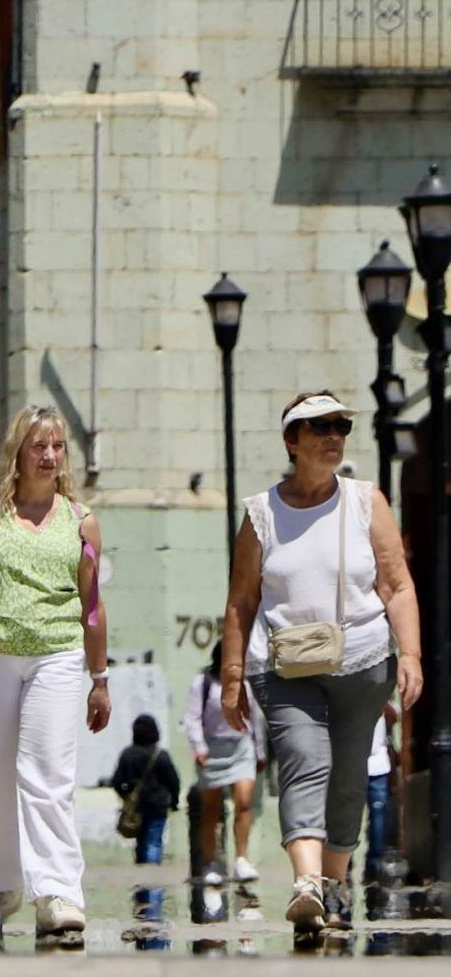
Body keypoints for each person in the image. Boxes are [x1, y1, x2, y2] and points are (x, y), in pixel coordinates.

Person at [221, 392, 423, 933]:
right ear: (292, 441)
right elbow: (241, 600)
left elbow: (397, 584)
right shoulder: (262, 512)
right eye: (319, 427)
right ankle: (306, 883)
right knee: (303, 761)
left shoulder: (365, 501)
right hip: (284, 665)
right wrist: (233, 675)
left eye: (340, 426)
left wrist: (411, 653)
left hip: (362, 662)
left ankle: (333, 885)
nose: (333, 435)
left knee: (349, 778)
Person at [0, 405, 111, 938]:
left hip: (58, 656)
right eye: (38, 446)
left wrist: (100, 678)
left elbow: (91, 604)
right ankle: (0, 886)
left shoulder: (79, 519)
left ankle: (58, 893)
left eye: (57, 446)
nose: (48, 456)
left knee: (46, 775)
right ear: (17, 452)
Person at [185, 640, 265, 885]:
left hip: (241, 746)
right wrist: (199, 747)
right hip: (213, 748)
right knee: (211, 810)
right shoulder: (203, 683)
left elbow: (255, 718)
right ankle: (211, 863)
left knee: (243, 802)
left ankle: (242, 859)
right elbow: (192, 717)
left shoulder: (247, 684)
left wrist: (260, 750)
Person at [111, 714, 182, 865]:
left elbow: (117, 781)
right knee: (154, 841)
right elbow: (174, 782)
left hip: (136, 807)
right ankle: (152, 880)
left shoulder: (128, 754)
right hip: (158, 806)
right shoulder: (161, 755)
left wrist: (126, 796)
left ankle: (143, 879)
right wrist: (174, 801)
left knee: (141, 842)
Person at [364, 705, 397, 882]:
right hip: (353, 765)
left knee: (378, 818)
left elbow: (396, 714)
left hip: (378, 766)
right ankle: (345, 866)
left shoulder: (383, 702)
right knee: (347, 817)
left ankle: (373, 865)